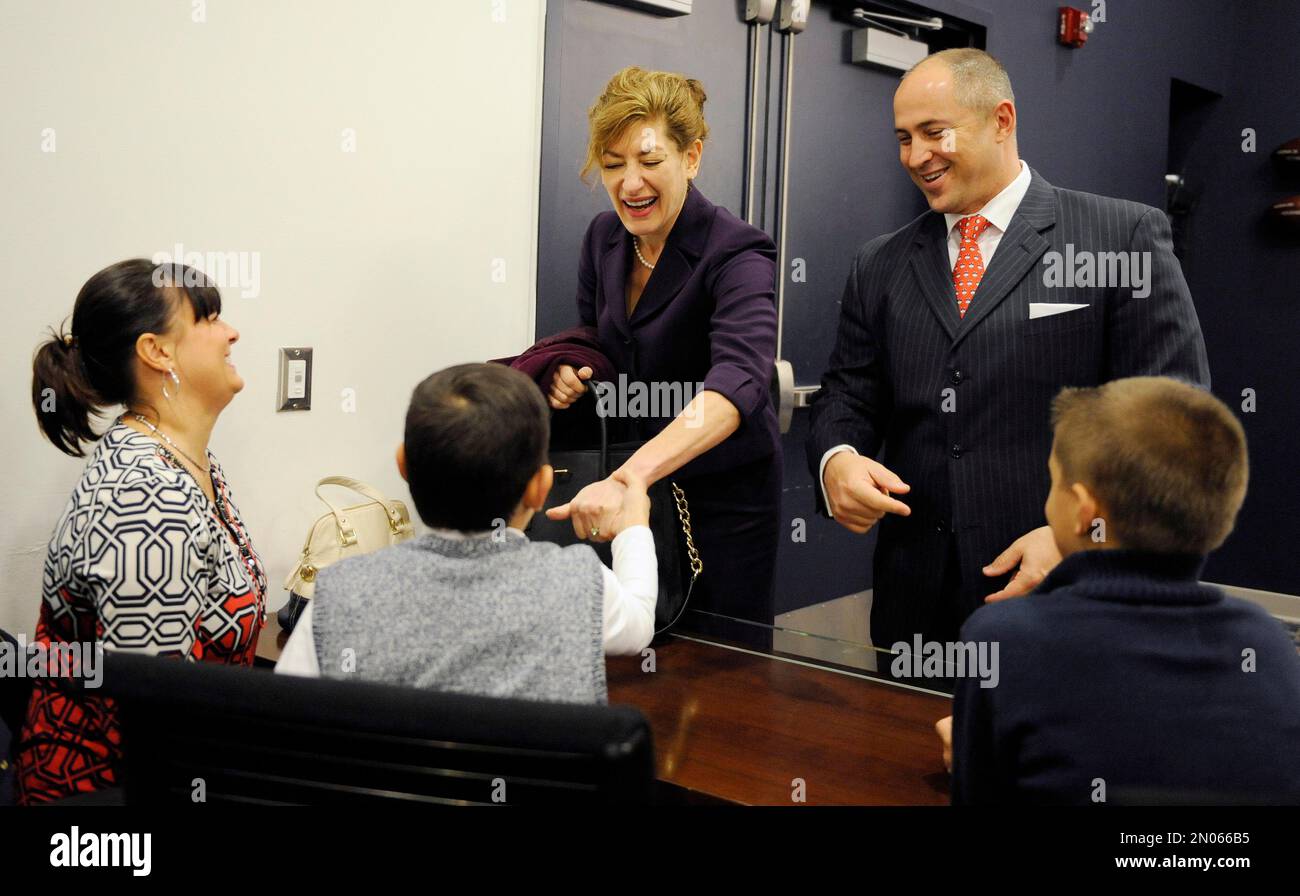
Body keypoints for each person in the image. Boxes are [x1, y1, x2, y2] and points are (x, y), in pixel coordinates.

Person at [806, 49, 1209, 650]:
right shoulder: (879, 263)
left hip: (1069, 601)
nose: (916, 157)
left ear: (1001, 120)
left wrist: (1083, 536)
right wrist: (836, 456)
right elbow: (848, 392)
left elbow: (1175, 423)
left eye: (934, 132)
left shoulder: (1120, 235)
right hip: (917, 610)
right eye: (903, 138)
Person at [942, 377, 1300, 804]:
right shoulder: (1269, 643)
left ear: (1083, 509)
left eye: (1053, 480)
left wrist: (969, 750)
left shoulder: (999, 639)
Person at [545, 66, 782, 632]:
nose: (631, 183)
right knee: (633, 660)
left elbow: (735, 386)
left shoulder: (737, 252)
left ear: (692, 156)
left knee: (718, 670)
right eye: (613, 164)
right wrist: (571, 373)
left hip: (719, 501)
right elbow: (593, 344)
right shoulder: (604, 238)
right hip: (625, 492)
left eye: (650, 162)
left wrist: (634, 476)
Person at [19, 259, 265, 804]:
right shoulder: (146, 498)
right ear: (158, 352)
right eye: (210, 318)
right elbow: (157, 721)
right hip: (110, 798)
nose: (232, 332)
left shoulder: (186, 460)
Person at [275, 363, 658, 704]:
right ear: (541, 487)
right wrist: (634, 525)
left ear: (402, 465)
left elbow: (286, 724)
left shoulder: (339, 594)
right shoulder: (580, 585)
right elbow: (639, 624)